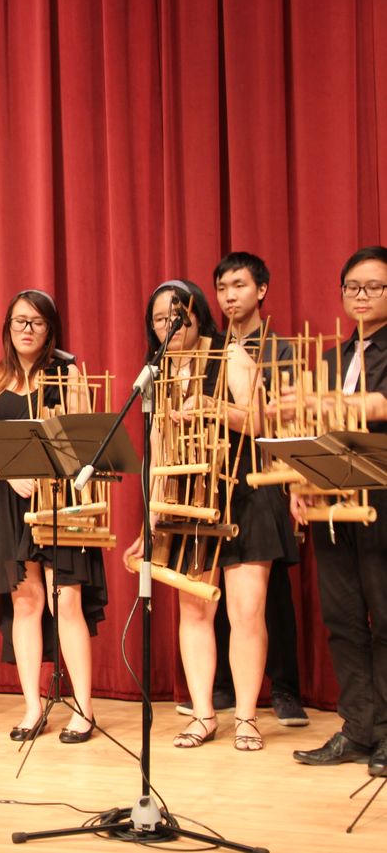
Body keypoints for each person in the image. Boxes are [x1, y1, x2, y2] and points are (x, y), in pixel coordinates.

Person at [123, 280, 266, 751]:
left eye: (177, 316)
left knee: (246, 611)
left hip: (241, 493)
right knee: (194, 608)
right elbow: (157, 451)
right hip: (186, 497)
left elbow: (260, 421)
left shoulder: (229, 356)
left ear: (197, 315)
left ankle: (245, 716)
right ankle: (203, 714)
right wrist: (151, 520)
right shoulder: (158, 372)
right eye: (160, 319)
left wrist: (212, 405)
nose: (169, 326)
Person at [0, 290, 103, 743]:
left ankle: (84, 708)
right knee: (25, 601)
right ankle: (31, 708)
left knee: (67, 600)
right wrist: (6, 471)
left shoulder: (68, 372)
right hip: (8, 499)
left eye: (36, 323)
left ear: (49, 331)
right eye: (20, 321)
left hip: (58, 499)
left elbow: (84, 439)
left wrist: (51, 473)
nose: (26, 329)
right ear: (7, 326)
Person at [197, 253, 306, 728]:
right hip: (217, 480)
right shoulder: (210, 348)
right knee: (219, 591)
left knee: (271, 592)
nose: (229, 296)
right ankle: (223, 687)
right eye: (222, 288)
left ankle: (284, 690)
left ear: (261, 290)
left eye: (238, 286)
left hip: (268, 477)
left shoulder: (280, 348)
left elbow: (287, 419)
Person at [290, 246, 387, 776]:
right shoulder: (330, 358)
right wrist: (300, 485)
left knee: (386, 619)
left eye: (373, 287)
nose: (361, 296)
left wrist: (359, 406)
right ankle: (358, 728)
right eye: (353, 286)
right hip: (333, 507)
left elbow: (376, 409)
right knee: (344, 620)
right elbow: (313, 431)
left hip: (381, 503)